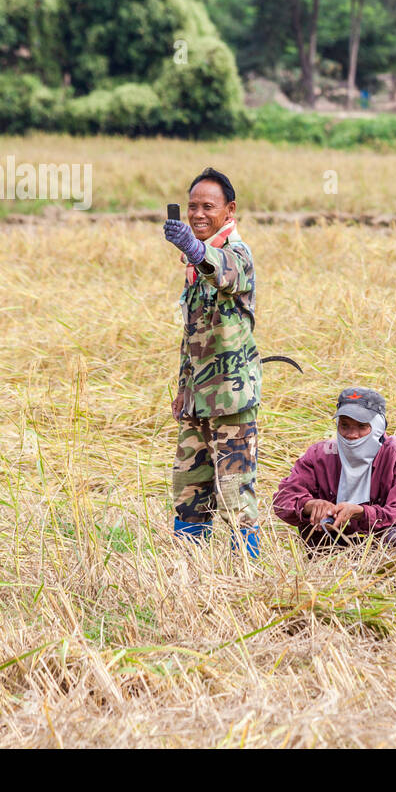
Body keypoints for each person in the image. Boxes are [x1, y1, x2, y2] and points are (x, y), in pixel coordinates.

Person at [164, 167, 262, 557]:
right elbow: (193, 339)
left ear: (229, 210)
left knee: (236, 494)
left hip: (231, 399)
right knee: (190, 488)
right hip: (196, 401)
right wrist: (181, 390)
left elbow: (220, 271)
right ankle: (192, 571)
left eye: (208, 206)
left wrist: (194, 248)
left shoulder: (237, 255)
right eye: (191, 207)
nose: (197, 214)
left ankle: (248, 574)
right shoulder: (193, 268)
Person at [273, 387, 396, 549]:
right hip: (329, 554)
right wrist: (309, 505)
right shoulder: (320, 454)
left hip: (381, 551)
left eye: (362, 426)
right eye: (344, 425)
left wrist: (362, 513)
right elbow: (282, 499)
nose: (351, 434)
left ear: (378, 427)